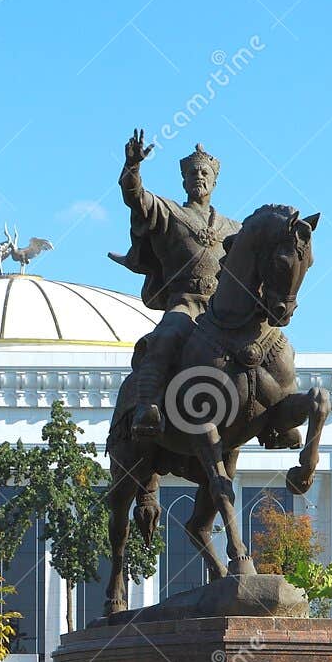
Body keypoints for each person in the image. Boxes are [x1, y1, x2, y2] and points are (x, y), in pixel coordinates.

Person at [108, 130, 239, 439]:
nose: (198, 176)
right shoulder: (169, 212)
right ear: (183, 180)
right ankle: (146, 408)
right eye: (192, 172)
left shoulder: (234, 228)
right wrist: (132, 168)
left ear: (215, 181)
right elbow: (135, 198)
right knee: (164, 339)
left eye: (204, 172)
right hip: (184, 304)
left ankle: (273, 420)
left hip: (222, 312)